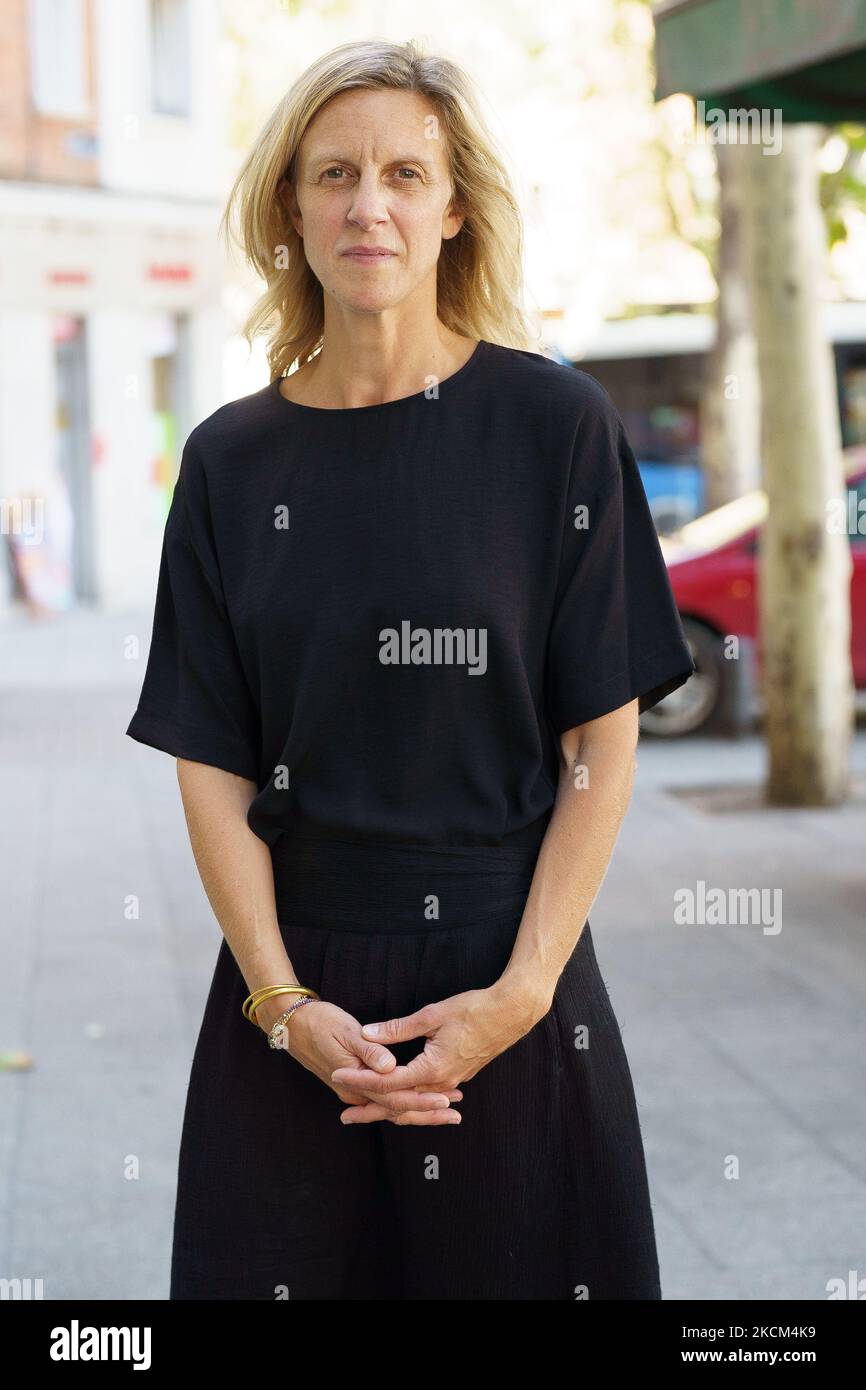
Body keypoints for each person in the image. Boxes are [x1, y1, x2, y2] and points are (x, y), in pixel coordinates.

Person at [126, 38, 695, 1301]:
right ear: (290, 210)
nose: (365, 203)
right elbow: (210, 757)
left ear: (451, 210)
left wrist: (520, 994)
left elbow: (600, 743)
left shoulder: (555, 429)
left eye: (401, 173)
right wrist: (280, 1003)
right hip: (292, 1004)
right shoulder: (229, 462)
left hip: (510, 986)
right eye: (332, 174)